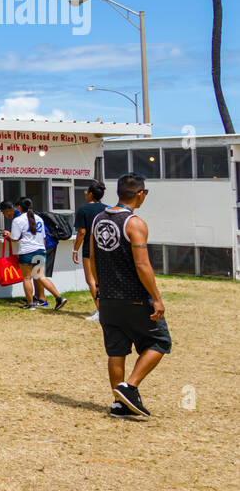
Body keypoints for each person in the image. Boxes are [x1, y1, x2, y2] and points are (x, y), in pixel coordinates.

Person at [91, 174, 171, 418]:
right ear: (139, 194)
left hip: (107, 298)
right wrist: (156, 297)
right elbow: (142, 265)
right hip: (134, 297)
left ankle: (118, 403)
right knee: (160, 342)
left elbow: (93, 258)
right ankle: (130, 386)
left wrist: (97, 289)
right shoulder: (134, 223)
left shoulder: (98, 218)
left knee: (116, 351)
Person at [8, 198, 67, 311]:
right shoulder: (39, 218)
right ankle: (59, 297)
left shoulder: (18, 220)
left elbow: (14, 238)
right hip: (40, 250)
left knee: (27, 278)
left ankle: (30, 304)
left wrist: (8, 234)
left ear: (19, 207)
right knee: (40, 276)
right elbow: (44, 237)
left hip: (26, 251)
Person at [72, 182, 109, 323]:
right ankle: (105, 309)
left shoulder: (83, 210)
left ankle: (100, 310)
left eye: (86, 192)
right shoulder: (107, 209)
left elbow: (81, 232)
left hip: (89, 248)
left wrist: (75, 249)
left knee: (91, 280)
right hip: (105, 247)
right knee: (102, 279)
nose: (85, 194)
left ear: (91, 194)